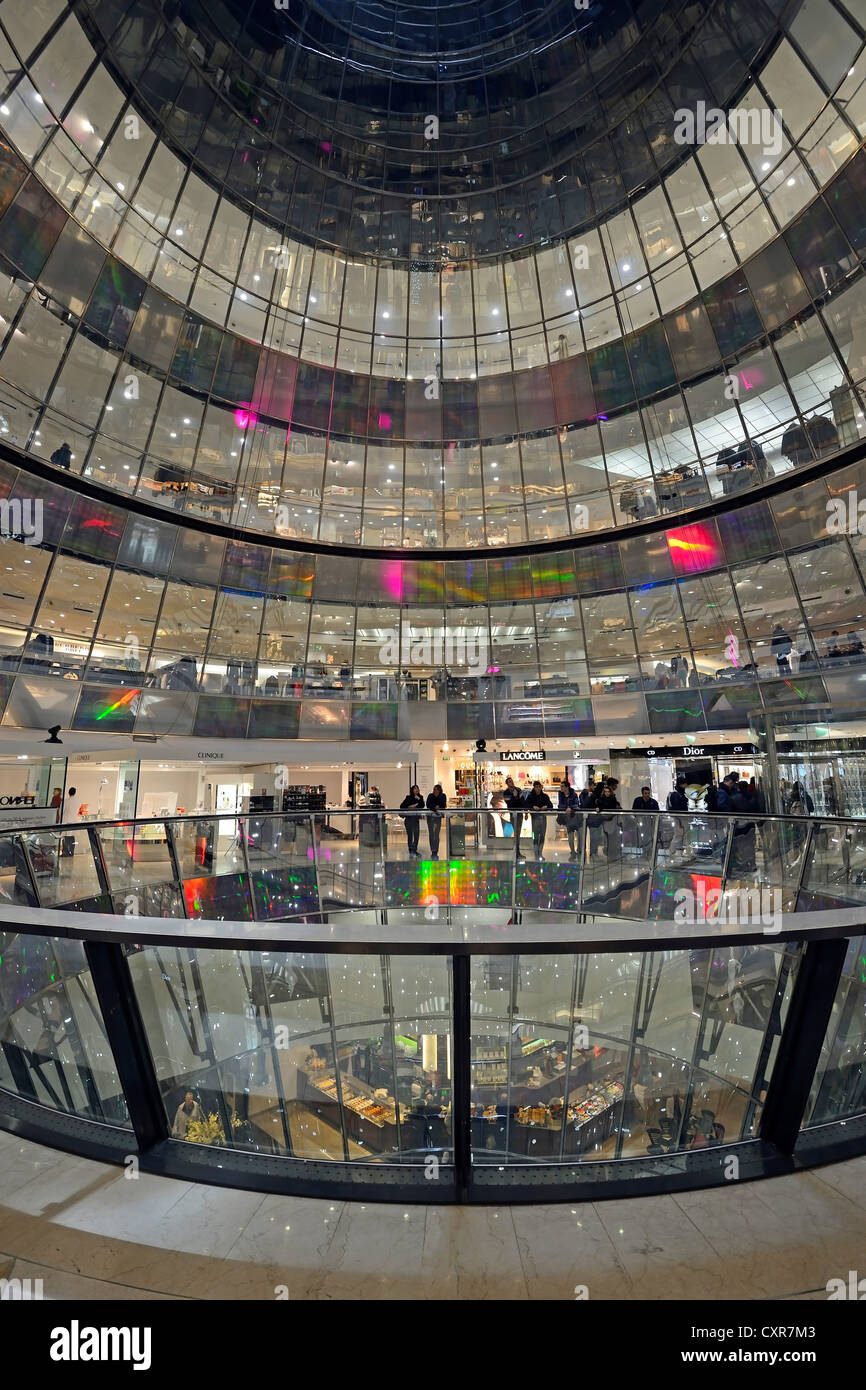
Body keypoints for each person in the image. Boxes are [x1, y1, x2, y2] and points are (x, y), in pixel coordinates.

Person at [524, 780, 553, 859]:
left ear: (541, 787)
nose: (538, 789)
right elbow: (526, 805)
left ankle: (540, 853)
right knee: (535, 836)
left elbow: (551, 805)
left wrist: (546, 807)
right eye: (536, 787)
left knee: (542, 835)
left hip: (543, 817)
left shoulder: (545, 796)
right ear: (534, 788)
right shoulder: (530, 796)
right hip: (535, 818)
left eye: (539, 787)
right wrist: (532, 807)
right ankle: (536, 853)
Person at [597, 779, 621, 859]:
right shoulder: (601, 799)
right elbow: (600, 805)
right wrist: (599, 808)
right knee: (607, 838)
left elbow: (612, 807)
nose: (607, 793)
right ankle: (609, 854)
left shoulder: (613, 799)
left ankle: (612, 855)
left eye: (608, 791)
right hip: (606, 821)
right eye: (605, 791)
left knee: (613, 838)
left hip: (612, 821)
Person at [557, 778, 581, 859]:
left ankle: (579, 850)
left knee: (579, 836)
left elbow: (576, 804)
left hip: (576, 818)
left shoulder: (574, 795)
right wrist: (567, 808)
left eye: (562, 786)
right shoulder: (561, 794)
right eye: (561, 786)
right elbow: (560, 805)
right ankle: (572, 852)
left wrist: (570, 808)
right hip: (568, 819)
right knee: (570, 837)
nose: (561, 788)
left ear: (567, 787)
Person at [400, 785, 425, 858]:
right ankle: (410, 850)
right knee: (410, 835)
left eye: (417, 789)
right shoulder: (408, 797)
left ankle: (414, 850)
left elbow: (422, 805)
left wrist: (415, 805)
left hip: (416, 819)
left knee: (416, 835)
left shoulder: (420, 797)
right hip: (408, 819)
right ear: (412, 790)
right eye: (415, 789)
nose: (416, 790)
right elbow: (402, 806)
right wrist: (409, 806)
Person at [503, 776, 525, 859]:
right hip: (513, 814)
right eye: (509, 781)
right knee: (516, 833)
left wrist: (516, 798)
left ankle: (517, 852)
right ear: (507, 784)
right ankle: (516, 852)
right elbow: (510, 805)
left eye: (512, 781)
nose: (511, 782)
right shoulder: (506, 793)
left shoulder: (518, 790)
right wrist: (515, 797)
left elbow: (522, 802)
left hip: (519, 814)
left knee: (518, 833)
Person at [426, 783, 447, 858]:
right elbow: (428, 804)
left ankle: (436, 849)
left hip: (438, 817)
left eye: (435, 789)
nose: (434, 790)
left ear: (439, 790)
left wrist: (438, 806)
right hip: (430, 817)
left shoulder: (443, 796)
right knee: (431, 833)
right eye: (433, 789)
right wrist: (435, 807)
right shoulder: (430, 796)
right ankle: (432, 849)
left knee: (436, 834)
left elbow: (443, 804)